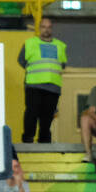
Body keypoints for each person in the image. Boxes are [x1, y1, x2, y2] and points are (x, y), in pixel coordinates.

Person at [18, 16, 66, 144]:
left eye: (49, 27)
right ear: (39, 28)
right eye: (44, 27)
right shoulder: (30, 43)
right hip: (34, 85)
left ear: (52, 29)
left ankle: (44, 141)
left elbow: (62, 65)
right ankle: (28, 139)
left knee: (47, 117)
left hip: (53, 87)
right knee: (31, 114)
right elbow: (21, 60)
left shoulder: (60, 46)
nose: (46, 30)